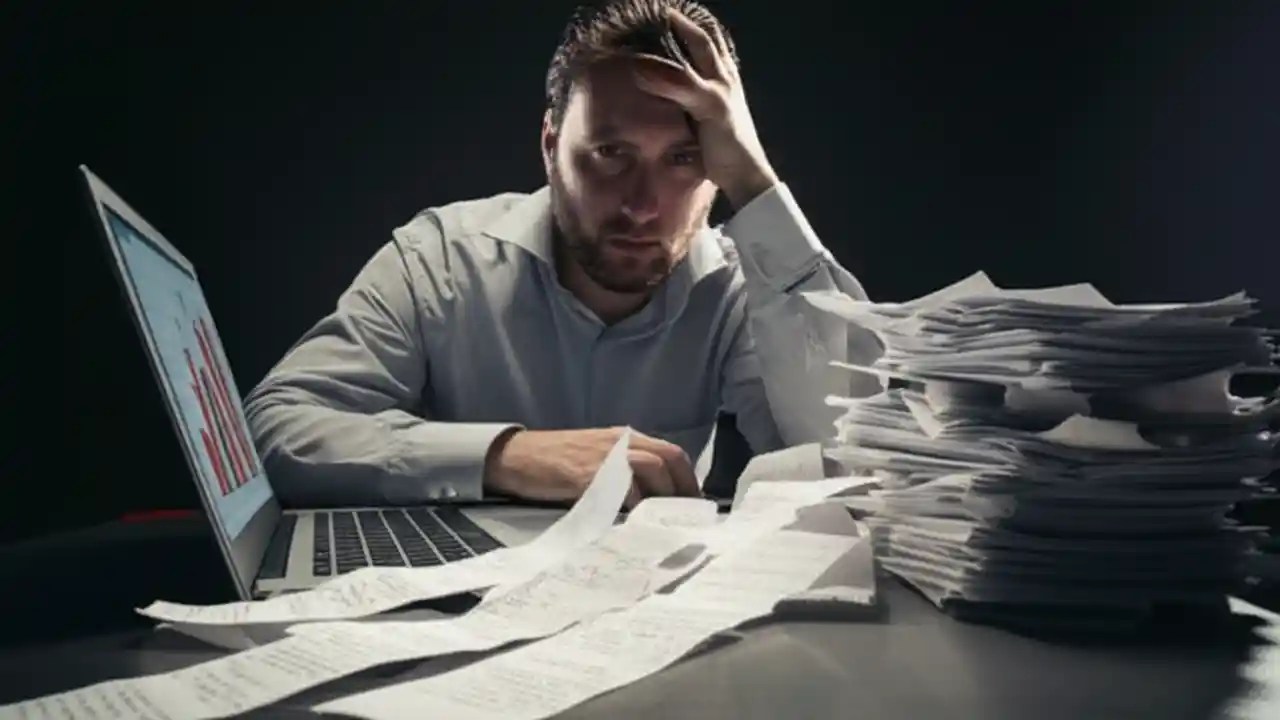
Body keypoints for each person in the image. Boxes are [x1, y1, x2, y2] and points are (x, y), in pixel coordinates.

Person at [243, 0, 881, 511]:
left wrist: (755, 181)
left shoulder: (745, 289)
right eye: (610, 153)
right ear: (550, 146)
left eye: (683, 159)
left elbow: (858, 465)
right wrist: (507, 458)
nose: (641, 206)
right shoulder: (436, 260)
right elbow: (276, 428)